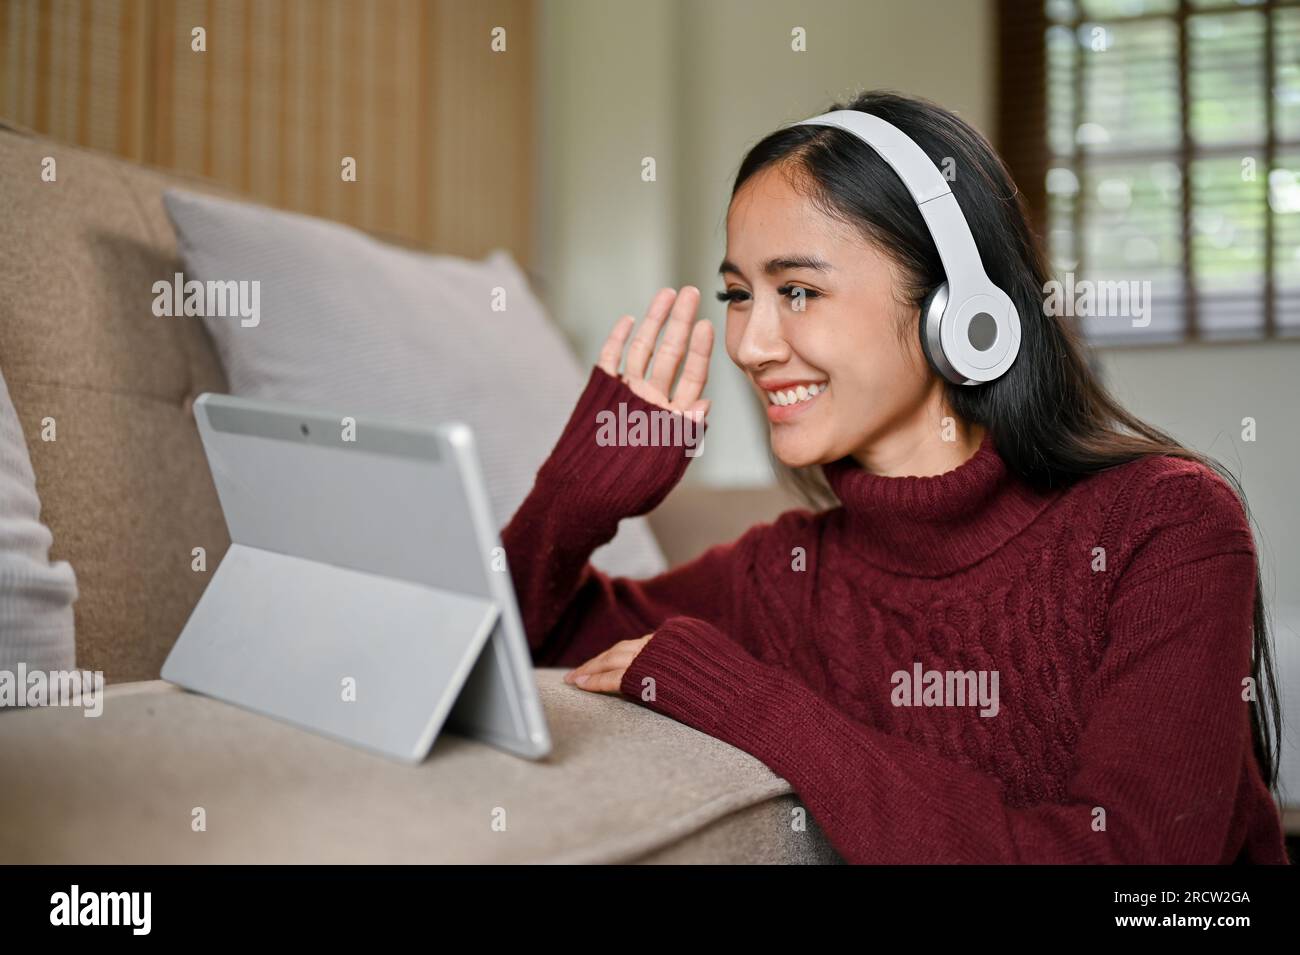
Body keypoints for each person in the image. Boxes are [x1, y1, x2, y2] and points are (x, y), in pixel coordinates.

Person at [500, 90, 1288, 864]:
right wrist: (571, 502)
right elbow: (521, 650)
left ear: (961, 308)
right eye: (739, 295)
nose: (749, 344)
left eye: (798, 290)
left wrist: (757, 705)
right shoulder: (784, 574)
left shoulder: (1166, 524)